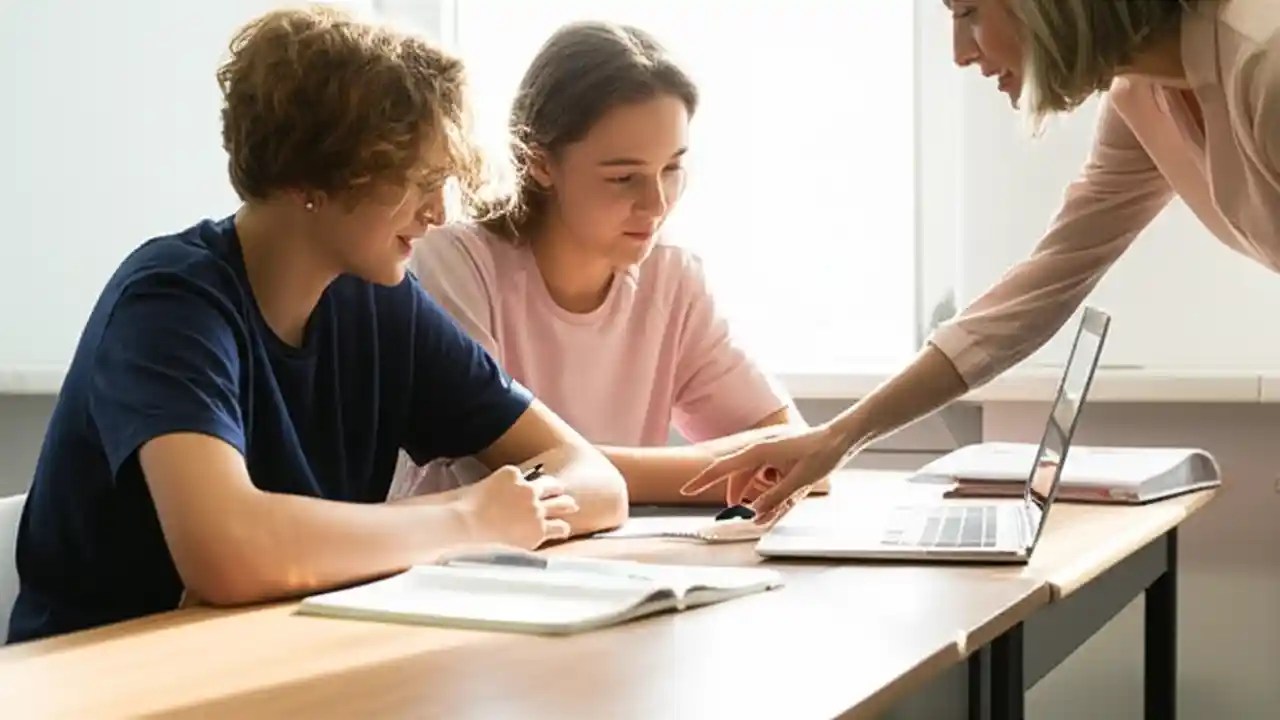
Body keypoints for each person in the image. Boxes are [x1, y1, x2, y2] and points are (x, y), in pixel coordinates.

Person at [7, 5, 628, 644]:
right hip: (105, 679)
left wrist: (494, 513)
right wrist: (469, 517)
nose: (439, 213)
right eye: (419, 182)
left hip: (276, 656)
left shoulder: (382, 302)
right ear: (318, 177)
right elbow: (230, 553)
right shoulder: (168, 304)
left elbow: (595, 480)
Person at [685, 0, 1280, 521]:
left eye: (968, 13)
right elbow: (1035, 292)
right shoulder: (1142, 95)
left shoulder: (1264, 59)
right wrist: (837, 438)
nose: (958, 53)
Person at [392, 21, 825, 507]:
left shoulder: (672, 279)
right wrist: (723, 465)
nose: (657, 203)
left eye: (672, 168)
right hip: (467, 568)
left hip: (612, 559)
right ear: (541, 163)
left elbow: (802, 458)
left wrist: (579, 468)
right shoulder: (455, 262)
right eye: (624, 177)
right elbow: (506, 475)